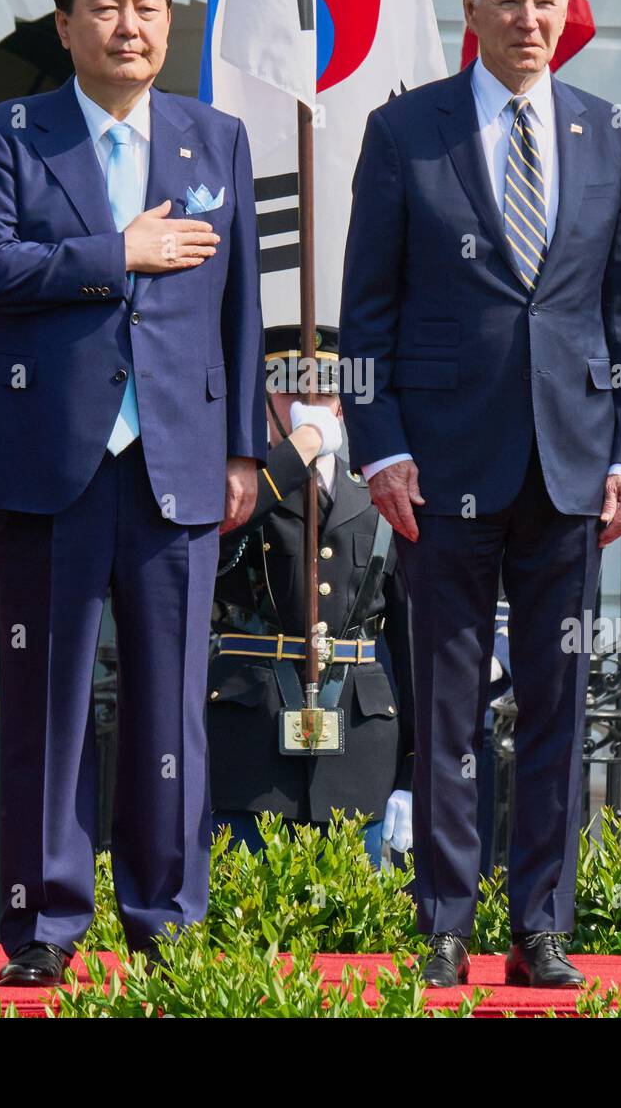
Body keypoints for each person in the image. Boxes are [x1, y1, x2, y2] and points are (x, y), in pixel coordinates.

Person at [339, 0, 621, 988]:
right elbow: (365, 315)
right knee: (444, 704)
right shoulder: (403, 131)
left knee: (559, 699)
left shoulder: (609, 131)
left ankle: (540, 925)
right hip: (438, 469)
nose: (532, 18)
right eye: (509, 0)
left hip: (572, 467)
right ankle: (443, 918)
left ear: (569, 8)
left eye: (547, 0)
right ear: (469, 8)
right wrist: (376, 443)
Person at [0, 0, 266, 986]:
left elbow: (239, 309)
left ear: (167, 20)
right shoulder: (9, 133)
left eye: (147, 4)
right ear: (67, 24)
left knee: (170, 703)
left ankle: (164, 918)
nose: (129, 23)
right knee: (45, 696)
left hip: (178, 458)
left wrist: (243, 453)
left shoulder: (214, 138)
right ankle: (43, 923)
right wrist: (115, 253)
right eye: (105, 5)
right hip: (51, 456)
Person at [208, 327, 414, 868]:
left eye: (324, 393)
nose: (308, 406)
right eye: (291, 393)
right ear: (263, 401)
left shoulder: (376, 496)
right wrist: (290, 458)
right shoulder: (233, 489)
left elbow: (417, 650)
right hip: (248, 759)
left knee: (359, 947)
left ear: (343, 405)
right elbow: (213, 548)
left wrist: (416, 775)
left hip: (359, 759)